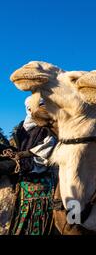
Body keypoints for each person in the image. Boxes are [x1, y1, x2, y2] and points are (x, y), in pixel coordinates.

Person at [7, 96, 58, 235]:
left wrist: (23, 156)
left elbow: (48, 149)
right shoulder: (21, 127)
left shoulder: (49, 127)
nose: (32, 110)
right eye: (30, 108)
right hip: (24, 179)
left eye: (39, 106)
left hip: (42, 175)